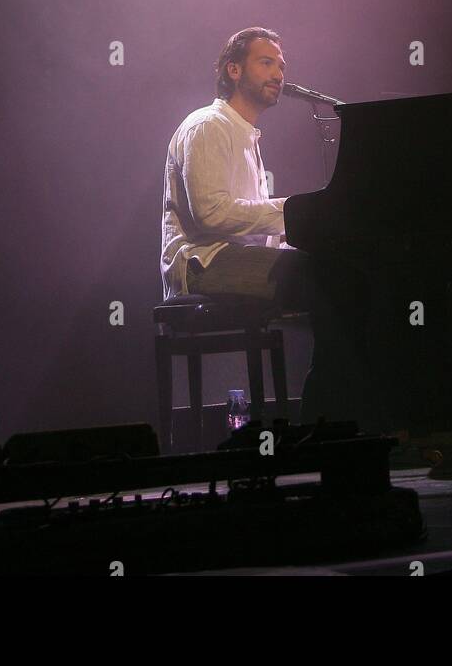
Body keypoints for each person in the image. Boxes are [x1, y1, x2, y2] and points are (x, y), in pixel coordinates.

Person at [160, 26, 380, 429]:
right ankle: (327, 422)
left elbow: (259, 228)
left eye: (281, 64)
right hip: (203, 263)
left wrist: (303, 237)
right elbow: (212, 214)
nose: (278, 73)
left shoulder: (247, 136)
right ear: (233, 70)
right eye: (266, 62)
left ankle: (337, 416)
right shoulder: (207, 126)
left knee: (345, 272)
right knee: (330, 277)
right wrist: (292, 211)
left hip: (236, 258)